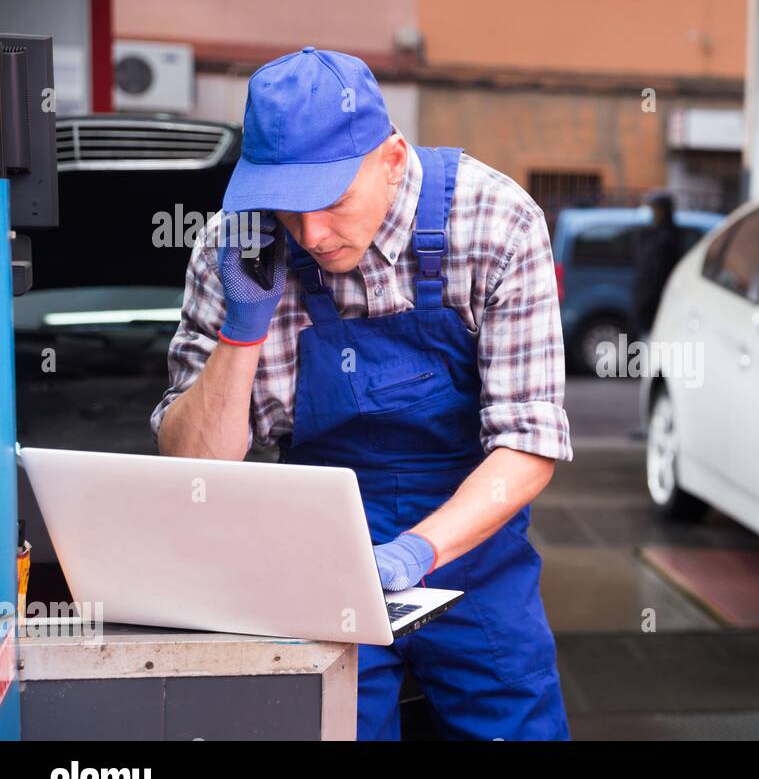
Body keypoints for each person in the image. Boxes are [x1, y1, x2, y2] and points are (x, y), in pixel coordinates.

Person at [150, 47, 571, 741]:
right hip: (317, 558)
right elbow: (198, 470)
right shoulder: (238, 250)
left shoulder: (497, 224)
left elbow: (528, 446)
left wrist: (413, 552)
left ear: (394, 159)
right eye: (286, 205)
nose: (311, 234)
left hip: (472, 550)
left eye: (332, 199)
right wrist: (242, 332)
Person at [629, 190, 684, 341]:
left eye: (654, 208)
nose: (651, 213)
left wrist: (646, 300)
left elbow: (658, 275)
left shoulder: (668, 238)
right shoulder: (648, 234)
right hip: (643, 303)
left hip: (654, 306)